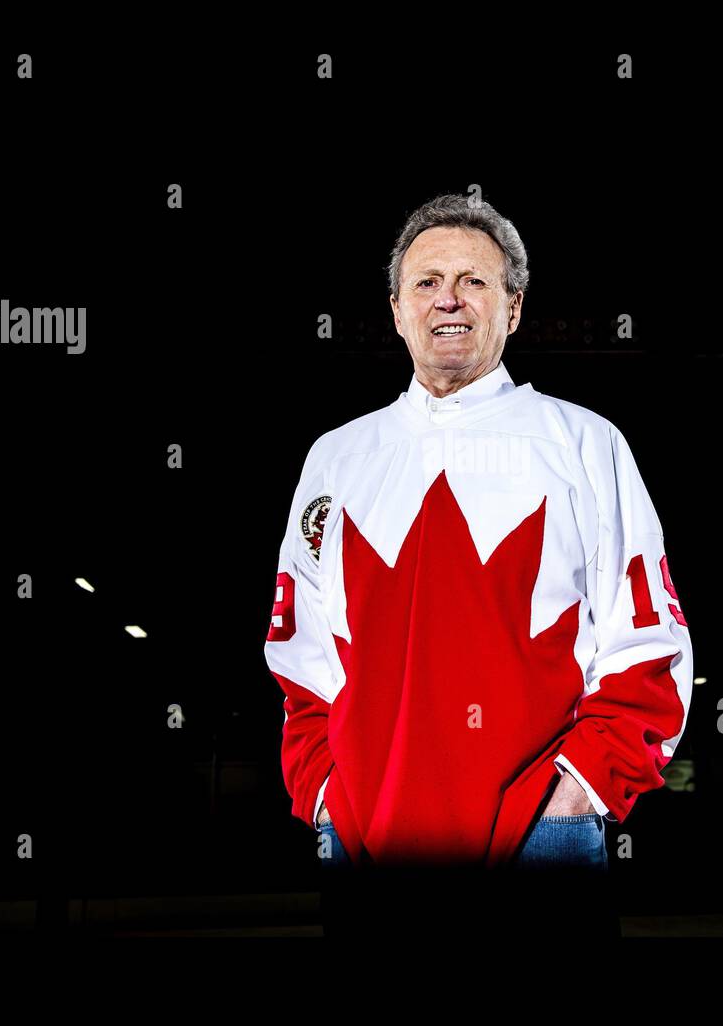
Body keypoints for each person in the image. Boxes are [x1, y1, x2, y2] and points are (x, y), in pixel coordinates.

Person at [263, 193, 694, 935]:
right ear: (397, 310)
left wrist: (581, 790)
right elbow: (299, 658)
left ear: (514, 308)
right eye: (427, 282)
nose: (449, 300)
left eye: (475, 281)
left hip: (544, 838)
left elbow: (649, 643)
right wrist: (325, 795)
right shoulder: (336, 458)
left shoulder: (585, 443)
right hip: (370, 843)